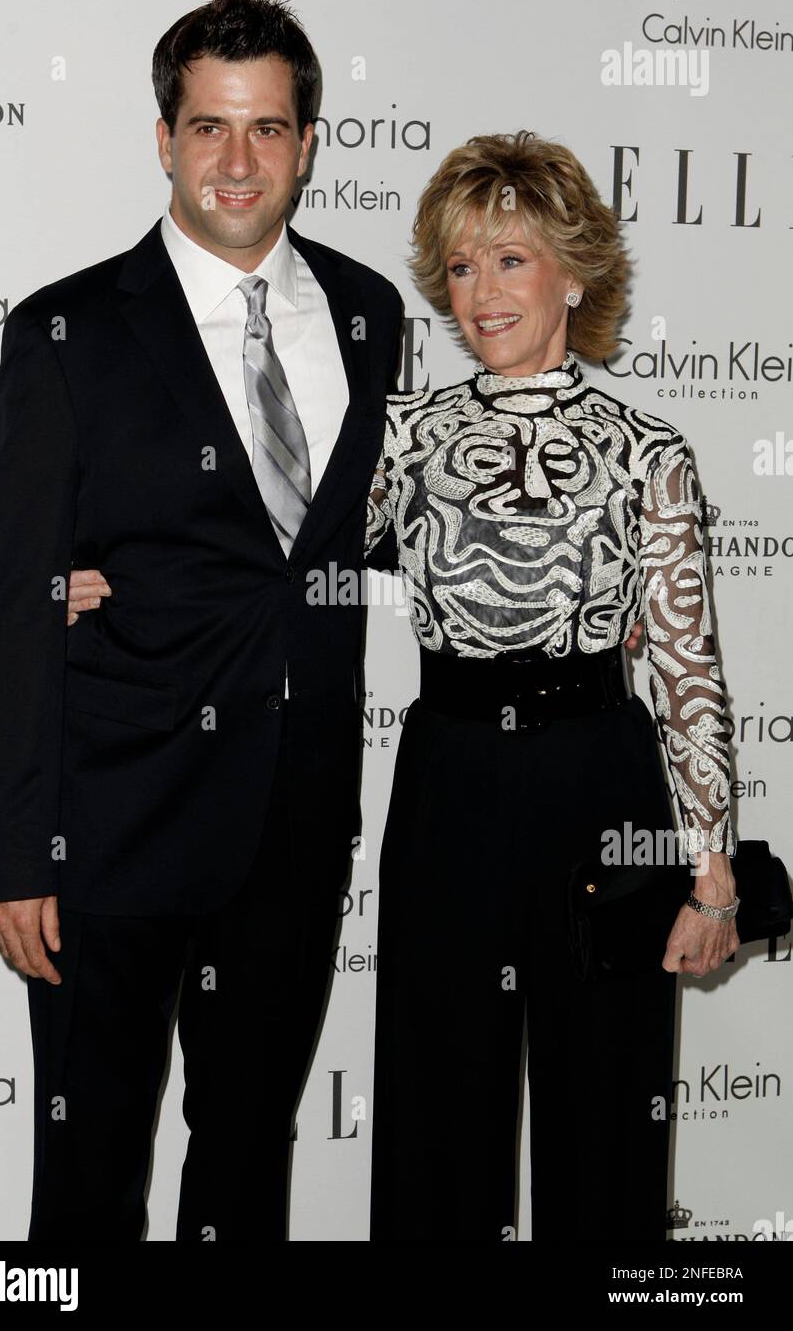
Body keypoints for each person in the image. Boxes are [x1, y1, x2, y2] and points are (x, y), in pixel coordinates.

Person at [0, 0, 403, 1242]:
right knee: (90, 1168)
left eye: (266, 129)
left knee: (245, 1153)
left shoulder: (370, 316)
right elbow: (12, 603)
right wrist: (10, 850)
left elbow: (353, 540)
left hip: (295, 818)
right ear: (164, 138)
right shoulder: (69, 329)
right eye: (209, 127)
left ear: (307, 144)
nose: (236, 160)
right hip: (110, 819)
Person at [362, 131, 738, 1242]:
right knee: (436, 1118)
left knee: (608, 1113)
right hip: (448, 775)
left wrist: (710, 871)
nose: (481, 293)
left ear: (572, 272)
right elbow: (272, 561)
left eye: (510, 260)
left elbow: (682, 661)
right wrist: (116, 572)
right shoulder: (406, 436)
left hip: (599, 789)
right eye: (464, 265)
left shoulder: (643, 447)